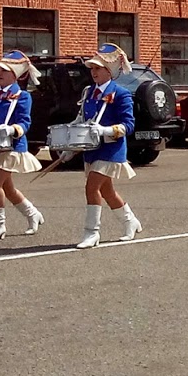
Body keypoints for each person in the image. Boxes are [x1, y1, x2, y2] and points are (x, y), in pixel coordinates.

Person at [75, 44, 143, 249]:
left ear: (109, 71)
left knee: (91, 187)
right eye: (92, 68)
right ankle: (130, 221)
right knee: (107, 192)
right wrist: (70, 142)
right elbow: (81, 119)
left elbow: (128, 125)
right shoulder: (89, 92)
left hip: (111, 150)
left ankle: (92, 232)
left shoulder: (121, 94)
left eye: (98, 68)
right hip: (92, 150)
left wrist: (105, 130)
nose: (94, 72)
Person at [0, 51, 46, 241]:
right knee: (8, 189)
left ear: (15, 75)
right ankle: (32, 213)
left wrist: (13, 129)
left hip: (11, 146)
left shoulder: (22, 96)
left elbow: (25, 121)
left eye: (4, 71)